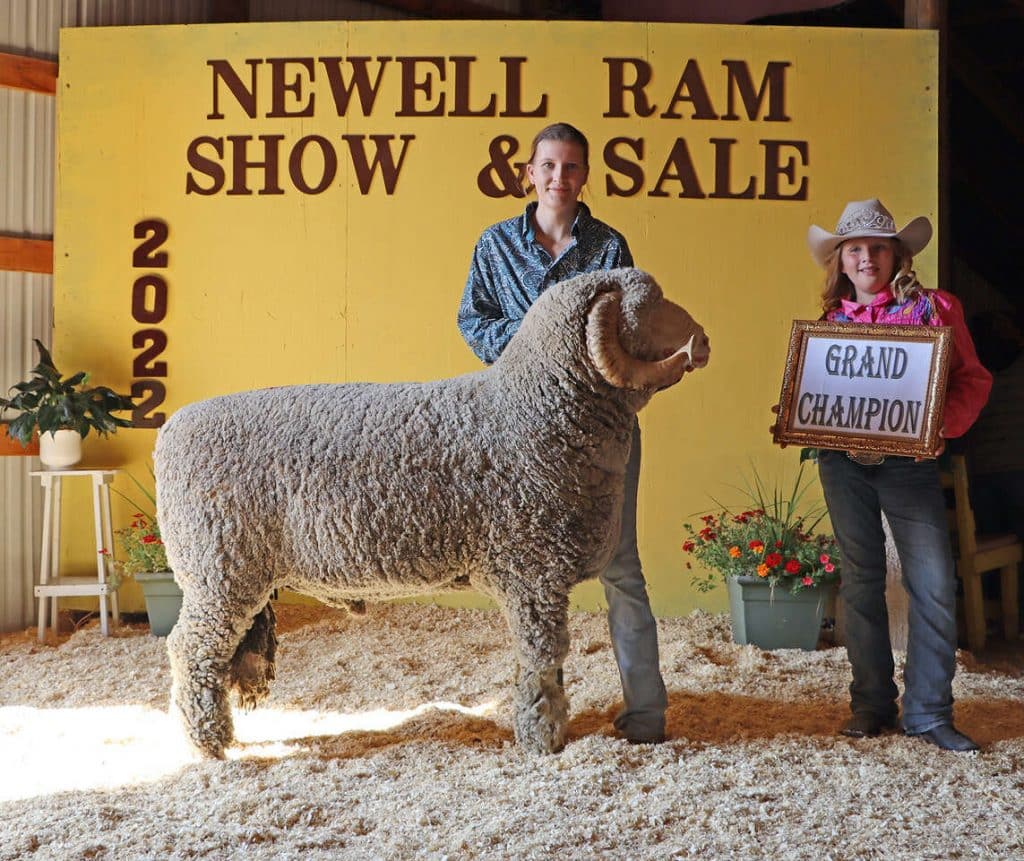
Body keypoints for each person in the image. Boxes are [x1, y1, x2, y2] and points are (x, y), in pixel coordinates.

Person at [457, 121, 667, 744]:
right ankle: (537, 705)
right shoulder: (494, 245)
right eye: (548, 166)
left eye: (571, 167)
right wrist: (530, 350)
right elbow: (473, 320)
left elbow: (630, 329)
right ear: (529, 172)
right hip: (521, 435)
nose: (559, 177)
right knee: (527, 568)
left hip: (603, 428)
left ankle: (648, 712)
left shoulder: (610, 247)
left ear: (585, 176)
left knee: (621, 563)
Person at [805, 198, 992, 752]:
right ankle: (871, 705)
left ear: (897, 255)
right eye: (855, 249)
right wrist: (802, 415)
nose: (867, 258)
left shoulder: (937, 310)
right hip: (843, 466)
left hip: (910, 466)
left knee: (932, 582)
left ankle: (930, 712)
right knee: (861, 581)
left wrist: (942, 428)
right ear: (840, 260)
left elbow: (972, 380)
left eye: (878, 248)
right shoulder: (830, 325)